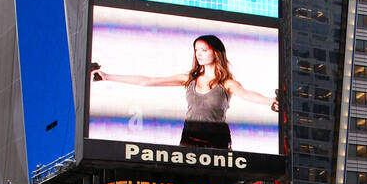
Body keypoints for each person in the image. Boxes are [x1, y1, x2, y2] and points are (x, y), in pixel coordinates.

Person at [91, 35, 278, 149]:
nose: (199, 54)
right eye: (196, 50)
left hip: (217, 140)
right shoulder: (188, 79)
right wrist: (107, 77)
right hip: (190, 137)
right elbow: (148, 81)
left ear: (216, 52)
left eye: (204, 50)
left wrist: (272, 101)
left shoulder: (226, 83)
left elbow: (247, 94)